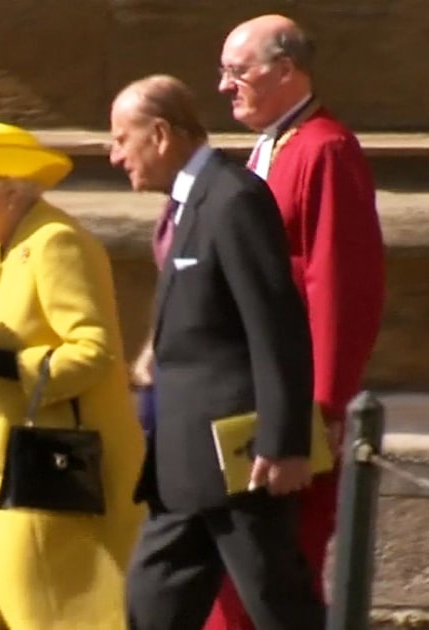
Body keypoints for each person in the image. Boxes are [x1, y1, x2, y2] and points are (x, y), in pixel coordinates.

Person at [0, 122, 147, 629]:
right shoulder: (7, 248)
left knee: (56, 610)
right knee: (11, 599)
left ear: (7, 186)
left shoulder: (56, 242)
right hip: (15, 469)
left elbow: (95, 352)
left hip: (64, 470)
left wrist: (11, 366)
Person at [109, 75, 325, 630]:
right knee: (151, 602)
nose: (115, 157)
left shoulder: (232, 198)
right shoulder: (188, 205)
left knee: (280, 606)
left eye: (120, 139)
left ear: (159, 135)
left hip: (241, 463)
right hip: (181, 468)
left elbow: (277, 325)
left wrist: (284, 443)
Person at [204, 15, 387, 630]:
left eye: (238, 72)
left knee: (274, 574)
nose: (226, 87)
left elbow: (339, 285)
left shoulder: (325, 148)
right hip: (250, 389)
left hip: (292, 408)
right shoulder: (271, 145)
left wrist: (323, 407)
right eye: (224, 73)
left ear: (285, 71)